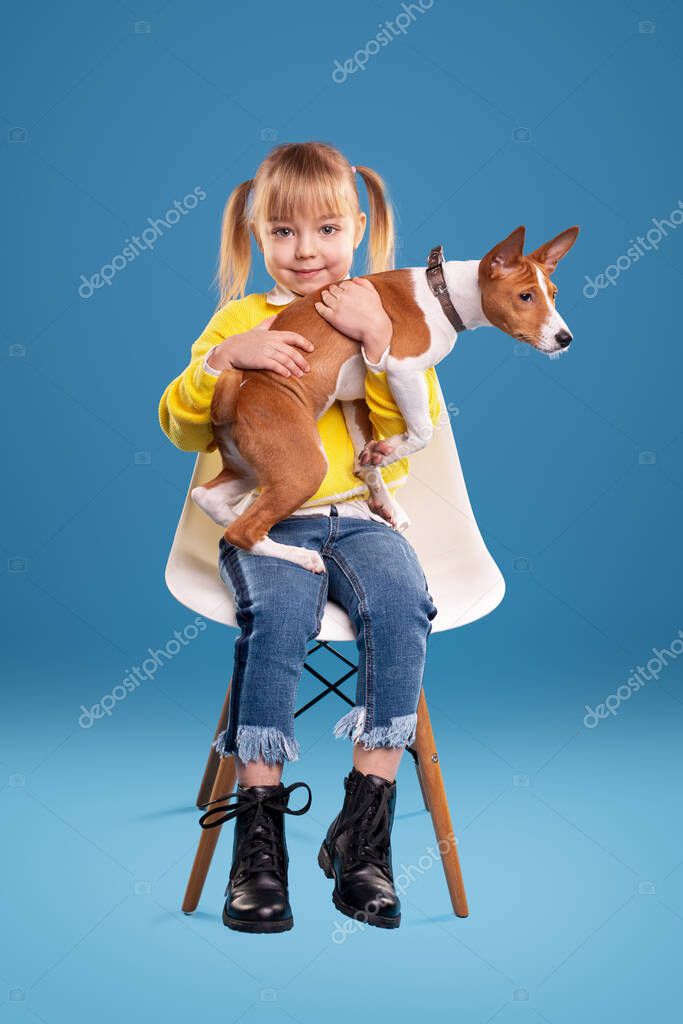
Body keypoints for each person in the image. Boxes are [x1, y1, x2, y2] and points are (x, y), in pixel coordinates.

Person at [159, 141, 440, 933]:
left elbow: (415, 427)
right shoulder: (241, 319)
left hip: (357, 515)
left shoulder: (385, 309)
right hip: (270, 522)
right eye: (282, 234)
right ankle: (260, 836)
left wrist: (376, 340)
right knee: (279, 617)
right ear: (256, 238)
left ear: (358, 228)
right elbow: (179, 427)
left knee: (399, 603)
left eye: (324, 230)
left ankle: (364, 832)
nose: (305, 251)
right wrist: (223, 361)